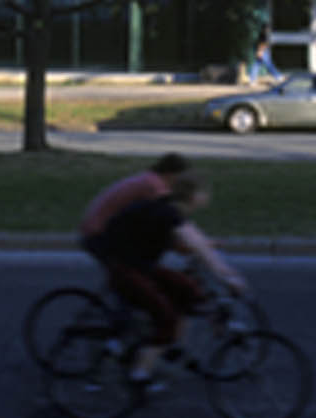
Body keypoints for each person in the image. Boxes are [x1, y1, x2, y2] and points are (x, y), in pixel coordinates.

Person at [78, 153, 245, 396]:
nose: (208, 196)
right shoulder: (166, 209)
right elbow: (192, 241)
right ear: (194, 196)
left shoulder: (169, 209)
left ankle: (168, 346)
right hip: (122, 264)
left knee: (187, 289)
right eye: (205, 192)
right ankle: (138, 374)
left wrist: (215, 260)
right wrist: (226, 275)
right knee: (164, 316)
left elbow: (189, 239)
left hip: (139, 262)